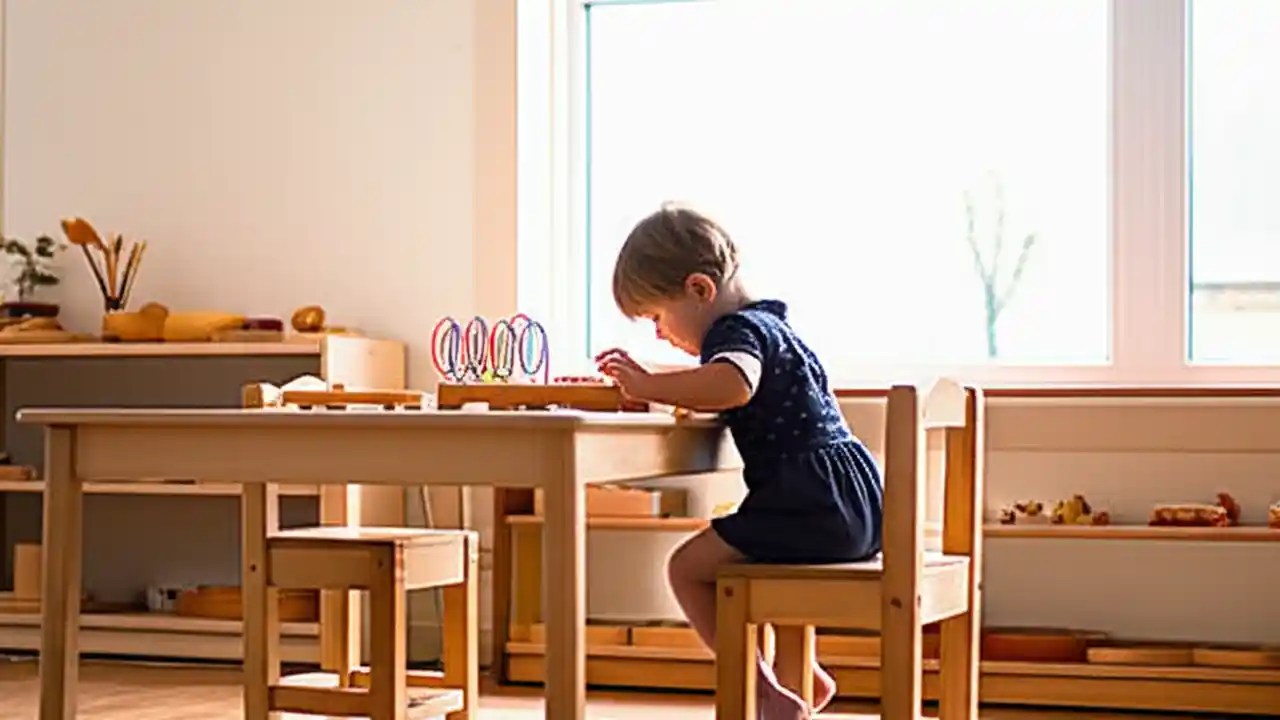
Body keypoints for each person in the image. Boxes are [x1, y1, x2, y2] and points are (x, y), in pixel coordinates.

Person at [595, 203, 884, 720]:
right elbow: (730, 378)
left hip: (811, 506)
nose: (659, 334)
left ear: (700, 290)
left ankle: (765, 691)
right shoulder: (773, 326)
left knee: (686, 568)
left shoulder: (735, 335)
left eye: (658, 318)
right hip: (858, 505)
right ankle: (802, 678)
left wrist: (647, 385)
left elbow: (732, 383)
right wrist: (659, 381)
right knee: (749, 561)